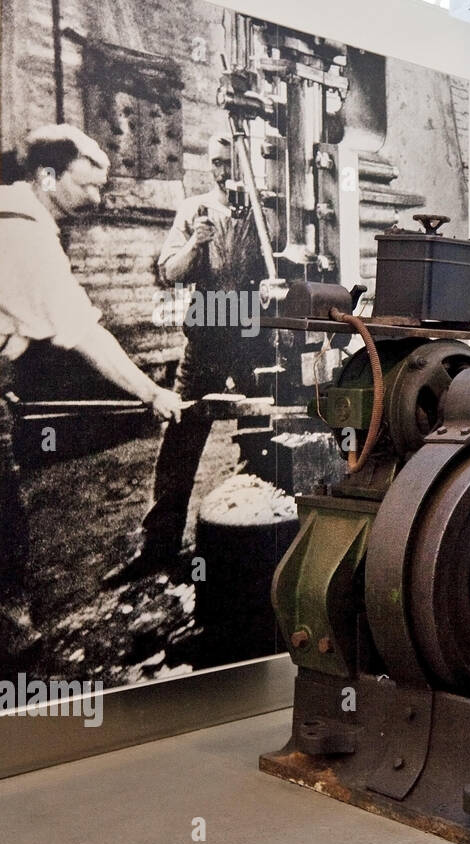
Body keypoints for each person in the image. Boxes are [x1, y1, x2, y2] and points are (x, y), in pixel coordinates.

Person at [0, 124, 183, 659]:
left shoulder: (14, 213)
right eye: (86, 186)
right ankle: (14, 646)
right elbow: (84, 333)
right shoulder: (23, 233)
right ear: (47, 176)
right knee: (5, 520)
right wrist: (152, 393)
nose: (97, 200)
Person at [110, 134, 272, 582]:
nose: (223, 171)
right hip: (206, 337)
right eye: (217, 163)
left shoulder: (266, 212)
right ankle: (158, 545)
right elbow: (170, 273)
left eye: (231, 162)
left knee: (262, 428)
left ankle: (261, 529)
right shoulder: (193, 210)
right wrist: (196, 245)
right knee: (181, 432)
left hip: (255, 336)